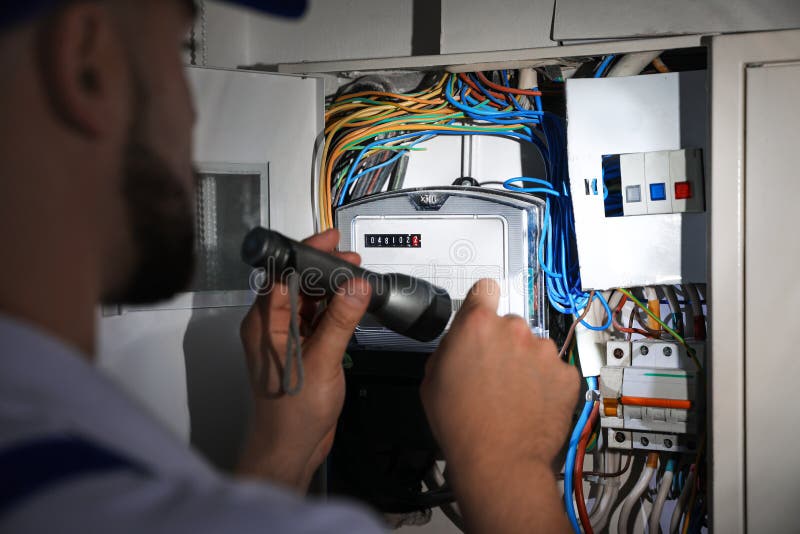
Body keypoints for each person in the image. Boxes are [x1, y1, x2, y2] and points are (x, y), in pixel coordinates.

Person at [0, 0, 579, 532]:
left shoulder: (48, 458)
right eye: (177, 52)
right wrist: (506, 462)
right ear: (87, 64)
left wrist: (281, 452)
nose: (188, 102)